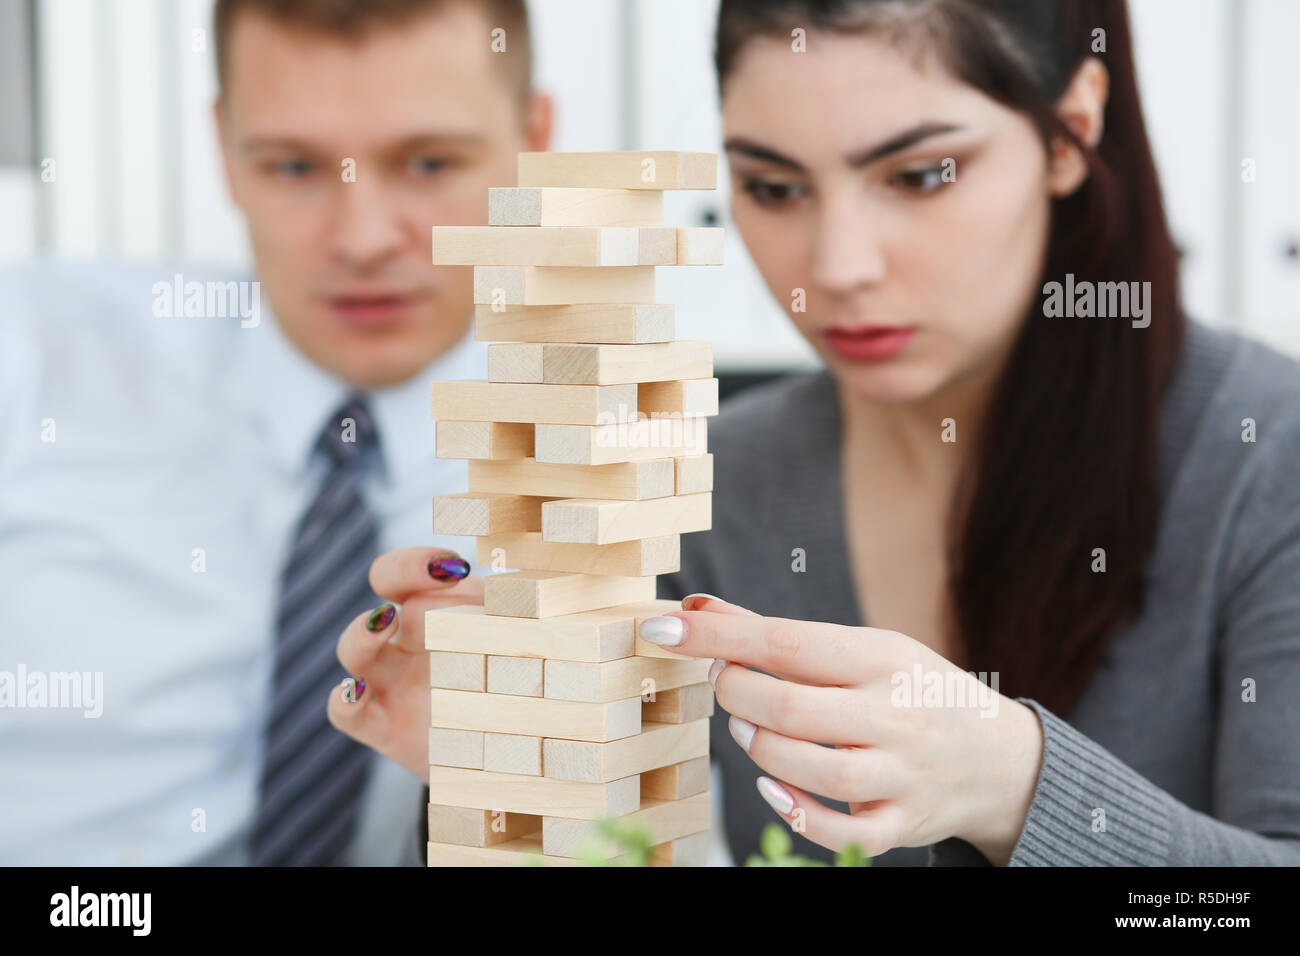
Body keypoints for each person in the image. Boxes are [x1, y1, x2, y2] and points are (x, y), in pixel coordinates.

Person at [335, 0, 1300, 866]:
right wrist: (518, 789)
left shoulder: (1267, 451)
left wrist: (1016, 786)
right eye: (774, 187)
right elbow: (619, 845)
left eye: (919, 175)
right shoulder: (714, 479)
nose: (837, 265)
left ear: (1070, 132)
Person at [0, 0, 546, 865]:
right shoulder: (29, 356)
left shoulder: (615, 481)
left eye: (430, 162)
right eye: (294, 167)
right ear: (225, 152)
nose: (362, 239)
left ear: (534, 142)